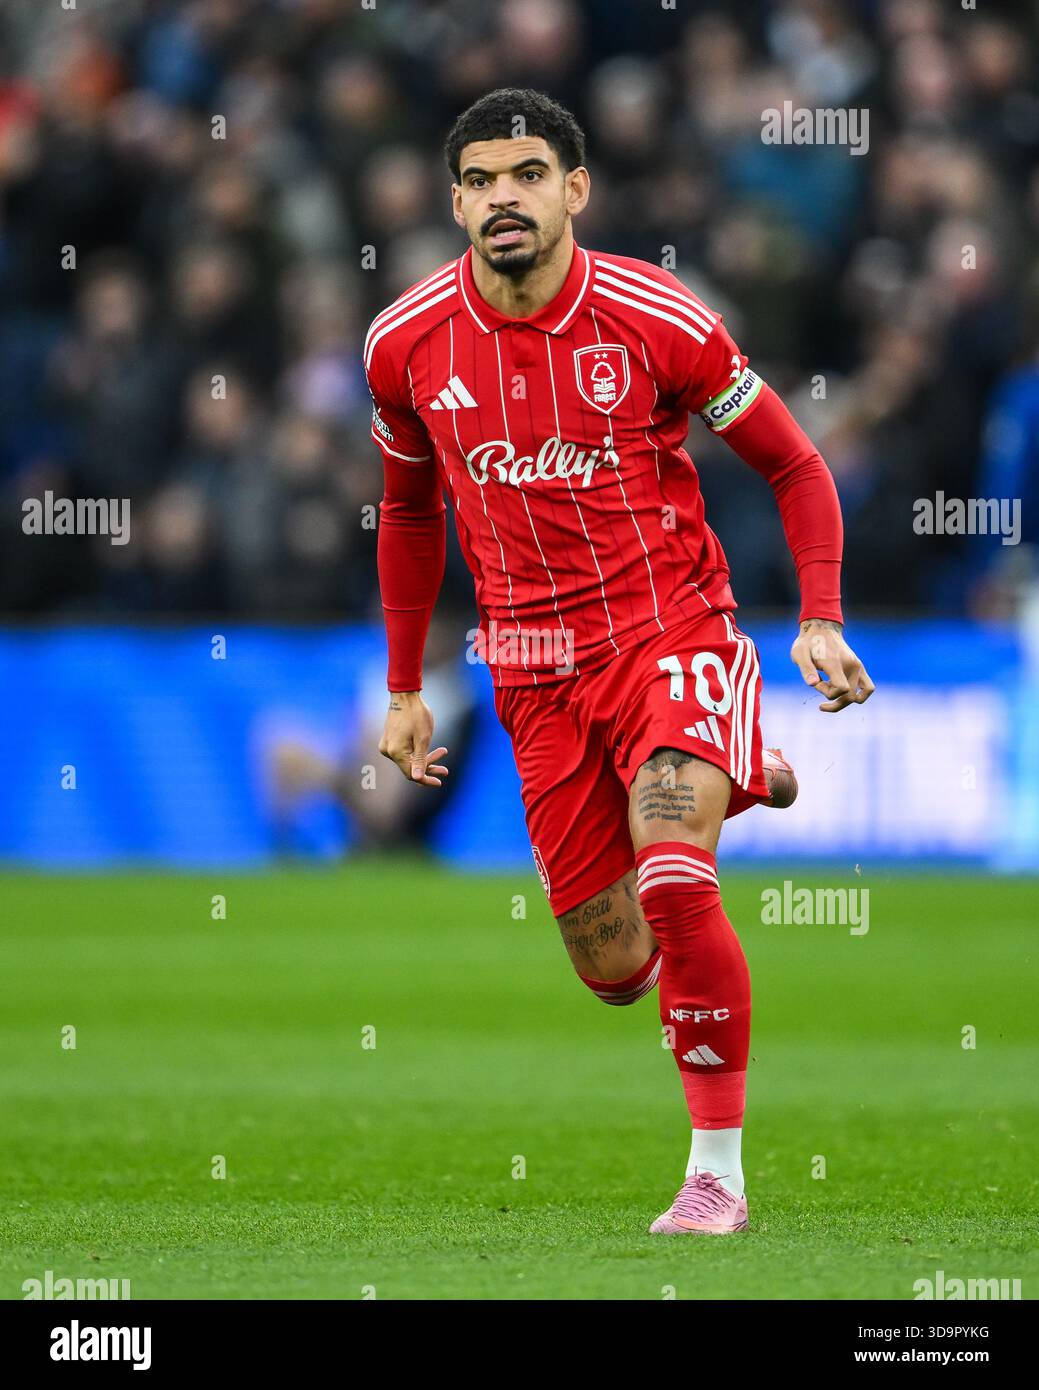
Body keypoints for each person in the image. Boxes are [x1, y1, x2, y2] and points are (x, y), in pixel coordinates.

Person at [364, 88, 874, 1235]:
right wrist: (404, 685)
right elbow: (406, 516)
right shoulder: (403, 346)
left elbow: (794, 466)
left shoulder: (658, 317)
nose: (506, 197)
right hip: (531, 672)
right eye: (483, 180)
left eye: (529, 174)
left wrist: (820, 615)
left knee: (675, 882)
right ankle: (744, 763)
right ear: (455, 203)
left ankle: (716, 1179)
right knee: (610, 969)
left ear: (574, 190)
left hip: (667, 637)